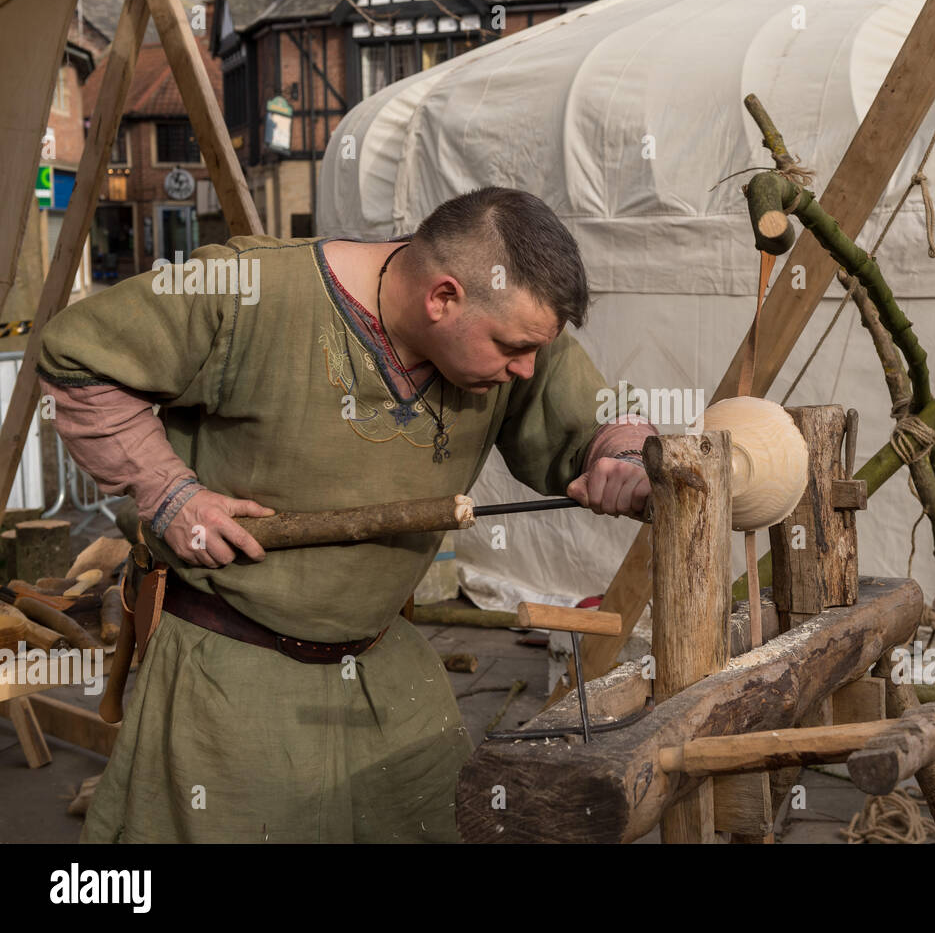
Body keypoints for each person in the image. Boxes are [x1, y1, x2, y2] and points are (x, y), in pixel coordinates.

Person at [37, 186, 656, 842]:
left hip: (382, 663)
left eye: (535, 350)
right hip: (228, 674)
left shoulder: (518, 338)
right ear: (442, 298)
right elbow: (77, 355)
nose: (525, 369)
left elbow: (598, 427)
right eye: (510, 347)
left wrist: (625, 458)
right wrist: (168, 493)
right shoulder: (251, 293)